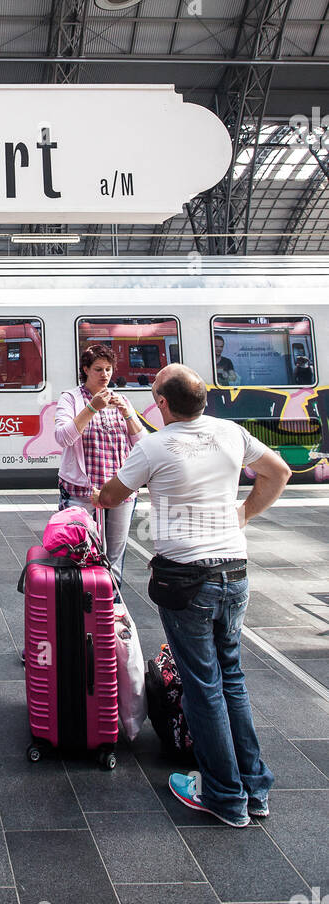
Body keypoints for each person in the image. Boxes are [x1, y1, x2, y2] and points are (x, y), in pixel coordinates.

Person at [96, 364, 291, 828]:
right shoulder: (231, 433)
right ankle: (254, 788)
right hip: (234, 572)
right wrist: (242, 515)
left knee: (203, 689)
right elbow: (277, 472)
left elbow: (108, 496)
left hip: (186, 581)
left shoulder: (153, 446)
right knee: (232, 679)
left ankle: (223, 796)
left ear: (162, 404)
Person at [54, 342, 145, 585]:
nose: (104, 375)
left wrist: (126, 413)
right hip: (82, 491)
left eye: (108, 369)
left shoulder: (121, 399)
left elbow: (142, 444)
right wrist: (92, 408)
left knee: (113, 557)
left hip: (120, 491)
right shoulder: (71, 399)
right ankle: (81, 608)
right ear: (85, 369)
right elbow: (63, 437)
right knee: (79, 554)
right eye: (98, 369)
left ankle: (110, 607)